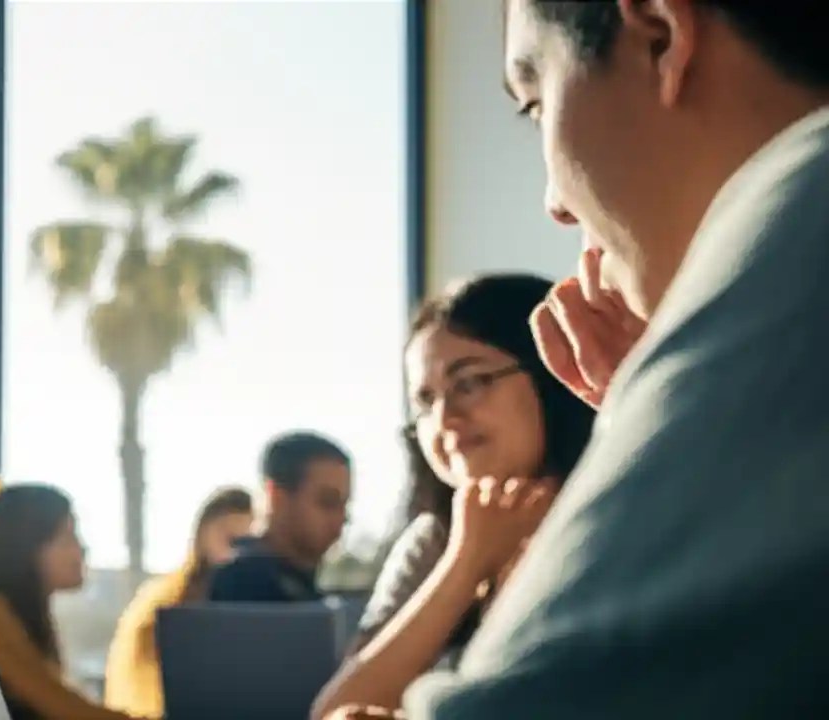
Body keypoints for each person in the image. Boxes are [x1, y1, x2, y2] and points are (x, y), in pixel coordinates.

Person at [332, 2, 829, 718]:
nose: (554, 204)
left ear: (660, 37)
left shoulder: (801, 217)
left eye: (535, 105)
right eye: (425, 400)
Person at [313, 275, 595, 718]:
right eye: (424, 401)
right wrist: (466, 562)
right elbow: (337, 709)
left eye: (469, 383)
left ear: (551, 372)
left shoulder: (616, 514)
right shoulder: (433, 540)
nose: (444, 417)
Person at [0, 480, 150, 720]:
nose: (82, 549)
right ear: (25, 546)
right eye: (67, 536)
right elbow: (67, 711)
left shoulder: (20, 614)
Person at [104, 486, 254, 717]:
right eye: (231, 538)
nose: (235, 551)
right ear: (203, 531)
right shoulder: (165, 599)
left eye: (246, 542)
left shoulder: (257, 596)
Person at [208, 432, 351, 603]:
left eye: (345, 504)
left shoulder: (301, 586)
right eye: (327, 502)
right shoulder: (240, 584)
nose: (342, 518)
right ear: (277, 497)